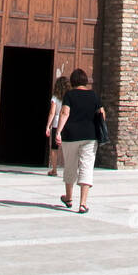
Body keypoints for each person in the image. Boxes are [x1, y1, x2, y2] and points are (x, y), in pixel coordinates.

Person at [55, 67, 104, 213]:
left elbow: (65, 112)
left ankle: (69, 198)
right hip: (90, 136)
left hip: (71, 136)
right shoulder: (94, 96)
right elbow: (102, 113)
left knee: (70, 166)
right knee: (86, 167)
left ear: (73, 81)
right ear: (85, 81)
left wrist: (58, 131)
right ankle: (83, 203)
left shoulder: (69, 95)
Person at [45, 75, 70, 176]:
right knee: (67, 148)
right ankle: (68, 170)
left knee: (54, 148)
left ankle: (54, 170)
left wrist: (48, 126)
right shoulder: (70, 97)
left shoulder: (55, 97)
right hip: (67, 123)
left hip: (56, 123)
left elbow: (52, 112)